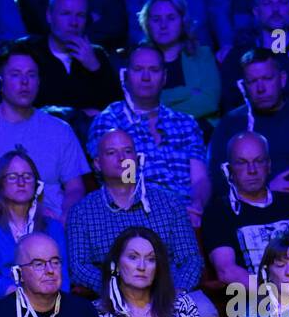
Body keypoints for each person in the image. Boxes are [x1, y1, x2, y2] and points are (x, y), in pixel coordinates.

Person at [66, 127, 205, 303]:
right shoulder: (81, 212)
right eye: (111, 153)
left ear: (137, 159)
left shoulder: (170, 203)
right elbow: (79, 266)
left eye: (127, 151)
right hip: (112, 297)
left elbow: (191, 258)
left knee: (204, 310)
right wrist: (117, 289)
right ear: (98, 164)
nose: (121, 158)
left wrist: (175, 291)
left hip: (170, 292)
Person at [0, 41, 88, 222]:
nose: (24, 82)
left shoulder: (60, 129)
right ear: (0, 82)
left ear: (39, 81)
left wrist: (67, 216)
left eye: (31, 75)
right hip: (3, 222)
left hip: (55, 223)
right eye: (15, 75)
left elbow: (75, 188)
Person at [86, 45, 211, 217]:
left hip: (188, 215)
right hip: (136, 215)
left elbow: (200, 178)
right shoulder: (110, 122)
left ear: (164, 77)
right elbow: (121, 182)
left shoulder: (186, 123)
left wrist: (197, 206)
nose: (146, 77)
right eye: (138, 70)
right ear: (126, 75)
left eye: (154, 70)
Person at [207, 50, 289, 203]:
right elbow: (217, 180)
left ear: (282, 79)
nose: (261, 88)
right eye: (253, 81)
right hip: (251, 209)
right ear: (244, 86)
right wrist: (263, 192)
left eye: (267, 79)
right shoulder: (230, 124)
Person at [202, 131, 289, 285]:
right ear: (229, 170)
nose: (252, 170)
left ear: (269, 165)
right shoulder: (218, 212)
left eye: (259, 161)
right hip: (255, 296)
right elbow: (227, 270)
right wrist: (274, 295)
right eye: (242, 163)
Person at [0, 149, 69, 304]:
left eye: (27, 177)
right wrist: (25, 295)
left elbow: (63, 278)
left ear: (37, 185)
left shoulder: (52, 227)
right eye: (13, 177)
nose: (21, 183)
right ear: (0, 184)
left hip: (47, 304)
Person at [31, 0, 124, 127]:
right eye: (66, 14)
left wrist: (95, 68)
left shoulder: (96, 55)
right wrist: (79, 115)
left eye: (80, 15)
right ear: (49, 16)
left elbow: (116, 108)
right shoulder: (29, 52)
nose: (74, 23)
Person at [138, 0, 220, 120]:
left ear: (182, 21)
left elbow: (209, 102)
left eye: (171, 18)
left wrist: (160, 107)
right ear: (147, 24)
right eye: (156, 19)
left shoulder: (203, 55)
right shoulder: (140, 62)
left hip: (201, 128)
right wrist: (187, 92)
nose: (163, 25)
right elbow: (141, 105)